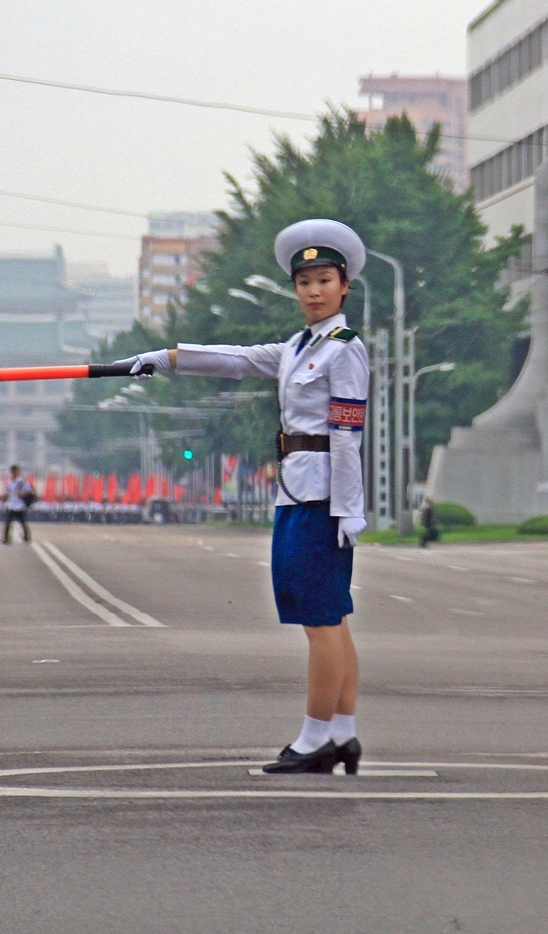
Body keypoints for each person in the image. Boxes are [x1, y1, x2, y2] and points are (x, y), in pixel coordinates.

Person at [124, 218, 369, 775]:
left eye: (325, 280)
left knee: (320, 619)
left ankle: (314, 740)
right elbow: (236, 359)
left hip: (321, 496)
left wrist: (348, 508)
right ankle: (344, 732)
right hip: (295, 487)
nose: (313, 290)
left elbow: (348, 435)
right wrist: (169, 357)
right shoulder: (297, 346)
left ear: (345, 285)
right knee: (332, 616)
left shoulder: (344, 349)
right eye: (305, 282)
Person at [1, 464, 35, 544]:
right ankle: (6, 539)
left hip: (20, 506)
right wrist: (4, 499)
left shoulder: (22, 482)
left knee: (23, 523)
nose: (14, 473)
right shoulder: (9, 483)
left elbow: (29, 491)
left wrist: (22, 494)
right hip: (11, 505)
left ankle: (27, 538)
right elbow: (7, 493)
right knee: (8, 524)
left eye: (16, 471)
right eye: (13, 472)